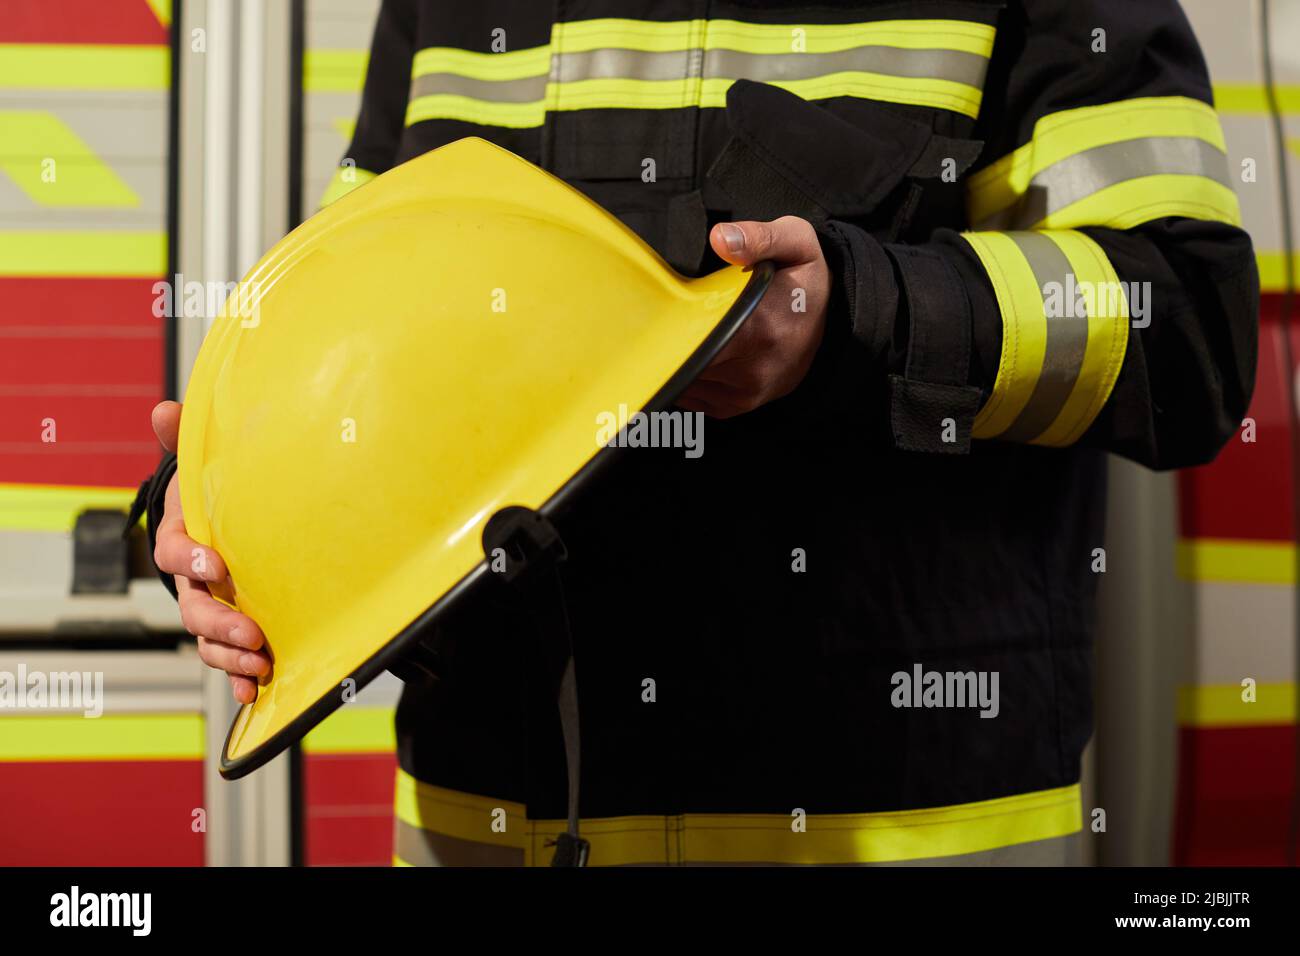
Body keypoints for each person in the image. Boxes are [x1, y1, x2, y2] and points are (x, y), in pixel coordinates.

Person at [136, 0, 1258, 865]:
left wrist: (862, 316)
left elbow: (1187, 326)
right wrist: (241, 514)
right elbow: (365, 327)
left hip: (900, 830)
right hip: (497, 824)